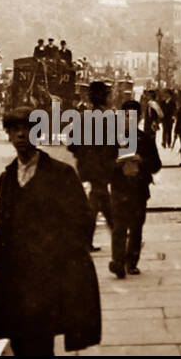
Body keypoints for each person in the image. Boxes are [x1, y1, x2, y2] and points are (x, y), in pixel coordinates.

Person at [0, 108, 101, 357]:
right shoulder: (7, 179)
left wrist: (58, 254)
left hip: (47, 279)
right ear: (8, 135)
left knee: (39, 344)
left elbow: (82, 222)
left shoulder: (61, 174)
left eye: (26, 129)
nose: (20, 135)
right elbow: (3, 233)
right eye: (14, 130)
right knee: (19, 343)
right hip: (15, 280)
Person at [108, 100, 162, 278]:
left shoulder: (145, 139)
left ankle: (131, 263)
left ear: (139, 118)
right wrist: (115, 164)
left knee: (136, 227)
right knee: (119, 228)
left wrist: (142, 161)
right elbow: (102, 166)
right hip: (119, 189)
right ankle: (117, 262)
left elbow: (156, 165)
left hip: (139, 189)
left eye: (134, 116)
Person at [69, 80, 117, 251]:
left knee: (100, 202)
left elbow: (71, 144)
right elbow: (116, 145)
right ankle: (118, 238)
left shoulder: (83, 118)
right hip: (103, 168)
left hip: (89, 167)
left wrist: (84, 156)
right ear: (104, 97)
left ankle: (91, 240)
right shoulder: (109, 118)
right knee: (99, 202)